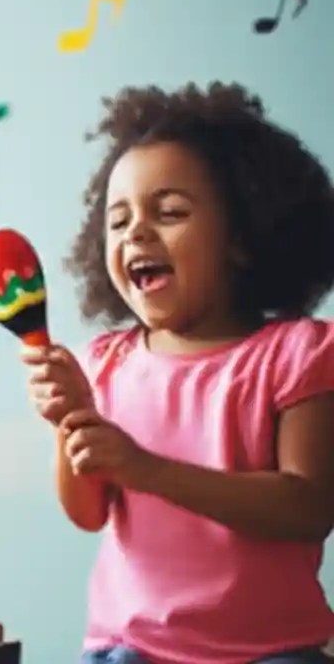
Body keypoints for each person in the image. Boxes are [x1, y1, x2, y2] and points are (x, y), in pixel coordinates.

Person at [22, 82, 334, 663]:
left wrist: (144, 468)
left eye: (168, 213)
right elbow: (88, 513)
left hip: (272, 651)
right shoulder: (105, 364)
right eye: (118, 222)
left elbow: (309, 506)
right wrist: (71, 421)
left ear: (243, 238)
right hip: (130, 648)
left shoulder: (298, 353)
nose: (136, 232)